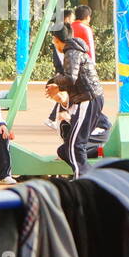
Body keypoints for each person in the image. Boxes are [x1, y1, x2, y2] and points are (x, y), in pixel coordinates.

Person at [45, 24, 103, 177]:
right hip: (88, 99)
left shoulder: (71, 52)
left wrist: (54, 81)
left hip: (87, 99)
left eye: (53, 40)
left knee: (75, 145)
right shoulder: (75, 50)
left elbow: (71, 78)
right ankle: (86, 173)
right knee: (66, 149)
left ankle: (84, 178)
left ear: (56, 40)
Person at [47, 7, 77, 129]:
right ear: (67, 18)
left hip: (65, 73)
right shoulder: (63, 39)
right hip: (63, 72)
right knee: (64, 95)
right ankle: (54, 118)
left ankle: (54, 118)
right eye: (72, 18)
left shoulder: (71, 50)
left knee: (64, 95)